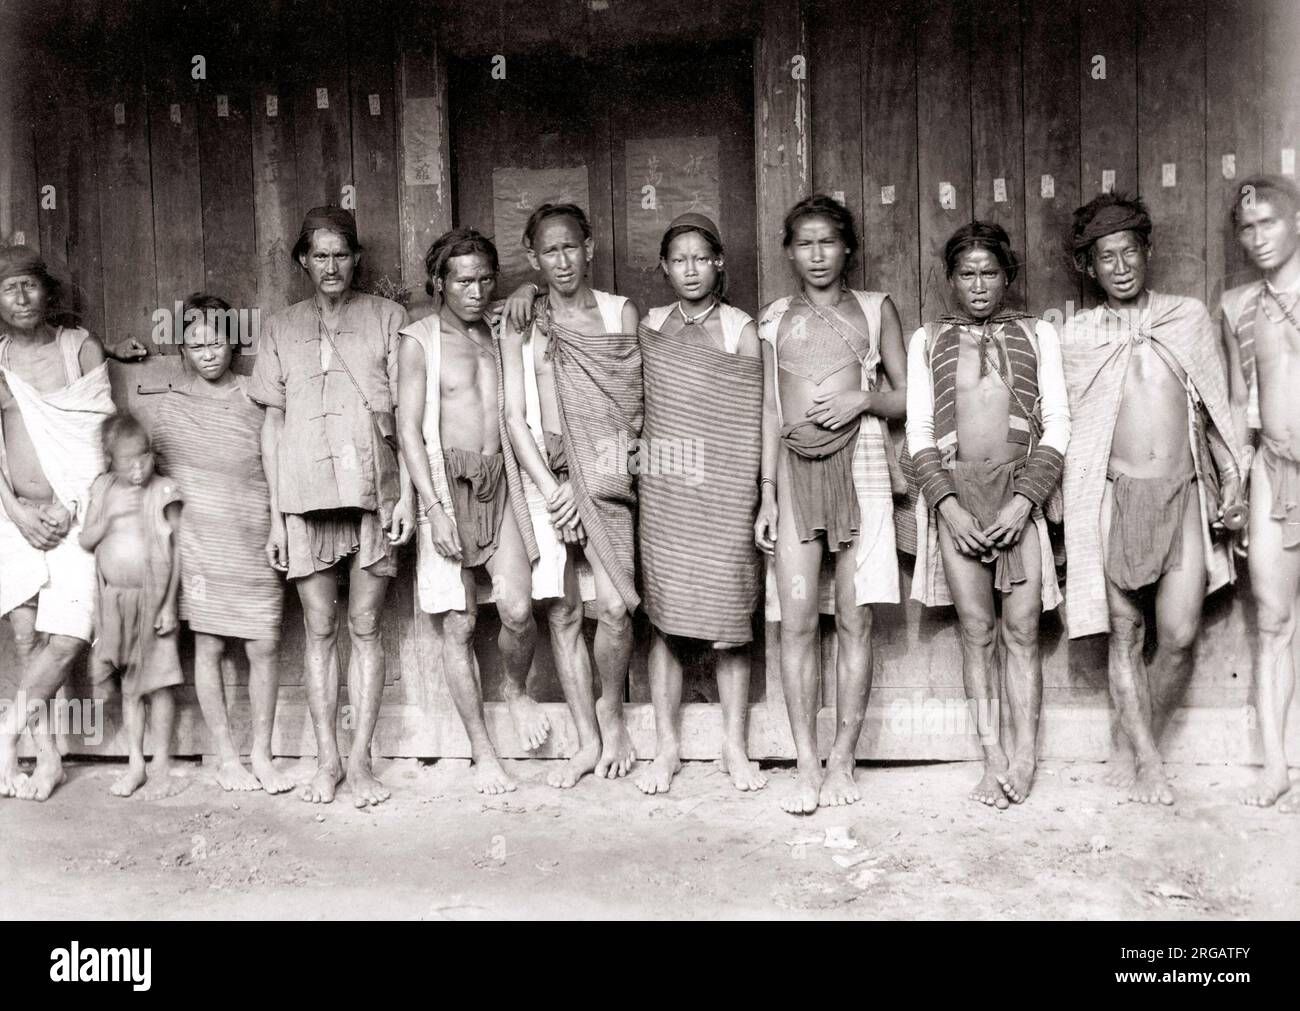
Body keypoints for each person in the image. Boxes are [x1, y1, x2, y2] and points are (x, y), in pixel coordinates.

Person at [1061, 192, 1244, 805]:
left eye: (1128, 252)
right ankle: (1145, 760)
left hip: (1184, 494)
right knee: (1124, 634)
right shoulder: (1078, 335)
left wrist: (1234, 479)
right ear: (1088, 267)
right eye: (1105, 257)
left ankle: (1140, 741)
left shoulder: (1185, 317)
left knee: (1180, 635)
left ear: (1148, 252)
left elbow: (1216, 413)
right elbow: (1068, 429)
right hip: (1114, 498)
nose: (1119, 266)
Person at [250, 207, 415, 807]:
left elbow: (411, 421)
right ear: (302, 262)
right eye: (318, 256)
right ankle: (327, 763)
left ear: (355, 258)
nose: (331, 266)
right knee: (319, 629)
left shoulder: (388, 318)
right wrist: (275, 516)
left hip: (374, 495)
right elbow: (271, 425)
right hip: (301, 498)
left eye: (340, 254)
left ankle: (363, 764)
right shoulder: (278, 328)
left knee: (365, 627)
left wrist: (410, 498)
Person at [907, 222, 1070, 808]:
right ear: (950, 280)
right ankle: (991, 757)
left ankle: (1024, 757)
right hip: (958, 495)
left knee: (1022, 630)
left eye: (990, 273)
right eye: (967, 274)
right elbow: (919, 432)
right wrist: (947, 509)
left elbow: (1059, 424)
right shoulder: (926, 339)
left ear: (1008, 278)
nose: (979, 285)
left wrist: (1025, 502)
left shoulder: (1038, 334)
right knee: (976, 630)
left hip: (1018, 497)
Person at [754, 194, 907, 814]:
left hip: (864, 463)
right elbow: (769, 410)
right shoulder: (771, 319)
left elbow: (906, 397)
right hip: (792, 470)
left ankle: (844, 756)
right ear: (790, 251)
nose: (817, 255)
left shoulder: (875, 310)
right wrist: (765, 493)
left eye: (828, 242)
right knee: (794, 622)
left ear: (847, 248)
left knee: (855, 618)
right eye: (805, 243)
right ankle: (805, 763)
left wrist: (862, 401)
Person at [398, 228, 551, 795]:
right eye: (463, 280)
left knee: (516, 608)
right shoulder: (419, 340)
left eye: (486, 279)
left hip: (499, 478)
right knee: (459, 622)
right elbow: (409, 431)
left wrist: (529, 287)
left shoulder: (499, 328)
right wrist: (432, 508)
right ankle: (482, 753)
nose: (476, 290)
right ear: (438, 283)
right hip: (445, 481)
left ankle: (515, 690)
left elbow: (540, 299)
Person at [498, 203, 643, 786]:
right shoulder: (522, 320)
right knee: (560, 608)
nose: (561, 260)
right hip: (542, 474)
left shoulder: (619, 312)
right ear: (533, 257)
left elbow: (635, 408)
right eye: (548, 251)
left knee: (613, 605)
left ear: (590, 246)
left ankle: (612, 708)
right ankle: (587, 739)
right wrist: (555, 488)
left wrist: (596, 478)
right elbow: (512, 415)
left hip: (608, 469)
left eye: (570, 247)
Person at [635, 213, 766, 794]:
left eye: (701, 258)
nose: (690, 269)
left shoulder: (741, 330)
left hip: (728, 492)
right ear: (665, 268)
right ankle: (666, 749)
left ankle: (733, 749)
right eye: (678, 259)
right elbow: (639, 407)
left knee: (730, 625)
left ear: (719, 264)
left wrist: (762, 492)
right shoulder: (650, 326)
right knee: (665, 623)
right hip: (666, 494)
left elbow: (755, 416)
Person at [150, 293, 291, 794]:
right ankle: (227, 758)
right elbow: (159, 480)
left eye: (216, 342)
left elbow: (276, 466)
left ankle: (262, 754)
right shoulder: (171, 406)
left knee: (265, 644)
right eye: (195, 345)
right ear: (182, 350)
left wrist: (279, 524)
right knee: (207, 644)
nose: (207, 353)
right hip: (200, 544)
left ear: (233, 342)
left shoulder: (255, 397)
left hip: (253, 533)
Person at [0, 245, 115, 801]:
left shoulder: (79, 347)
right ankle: (47, 759)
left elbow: (100, 437)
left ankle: (4, 736)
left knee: (68, 637)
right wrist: (17, 511)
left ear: (47, 293)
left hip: (79, 509)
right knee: (26, 636)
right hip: (13, 516)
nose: (20, 298)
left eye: (29, 285)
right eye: (8, 288)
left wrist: (69, 504)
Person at [1221, 175, 1300, 811]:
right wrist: (1241, 486)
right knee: (1273, 621)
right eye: (1247, 228)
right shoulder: (1237, 306)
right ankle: (1276, 767)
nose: (1257, 238)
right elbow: (1240, 403)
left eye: (1269, 222)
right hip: (1276, 471)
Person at [79, 413, 184, 798]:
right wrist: (105, 520)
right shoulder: (103, 489)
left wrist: (169, 605)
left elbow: (178, 552)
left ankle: (160, 765)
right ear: (110, 461)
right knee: (130, 685)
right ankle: (135, 763)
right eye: (128, 460)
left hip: (153, 599)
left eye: (144, 456)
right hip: (115, 602)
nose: (139, 467)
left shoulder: (164, 490)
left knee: (158, 685)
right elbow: (86, 540)